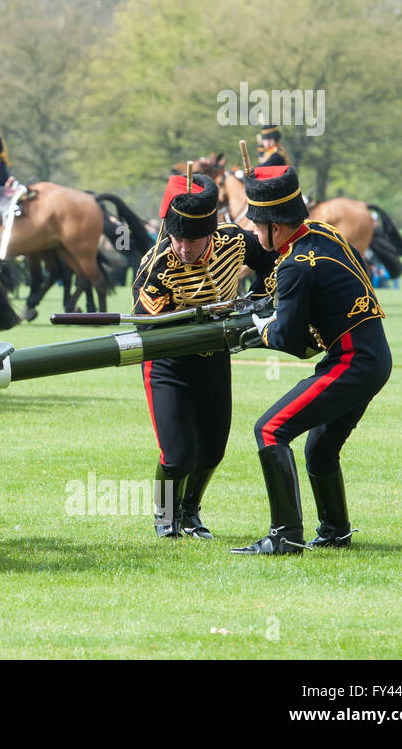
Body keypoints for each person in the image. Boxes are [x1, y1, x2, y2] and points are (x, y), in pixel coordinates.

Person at [233, 164, 392, 555]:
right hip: (371, 357)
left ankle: (284, 536)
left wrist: (254, 331)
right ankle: (335, 530)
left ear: (276, 225)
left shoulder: (293, 267)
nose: (254, 232)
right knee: (319, 449)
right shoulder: (324, 232)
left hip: (352, 361)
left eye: (257, 225)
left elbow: (286, 336)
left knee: (270, 430)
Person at [132, 172, 274, 538]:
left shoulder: (236, 242)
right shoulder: (157, 264)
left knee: (212, 450)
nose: (184, 248)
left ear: (211, 233)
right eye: (178, 238)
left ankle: (191, 512)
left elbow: (271, 264)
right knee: (177, 454)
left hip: (215, 358)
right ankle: (165, 518)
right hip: (168, 362)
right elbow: (146, 326)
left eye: (193, 240)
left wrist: (257, 300)